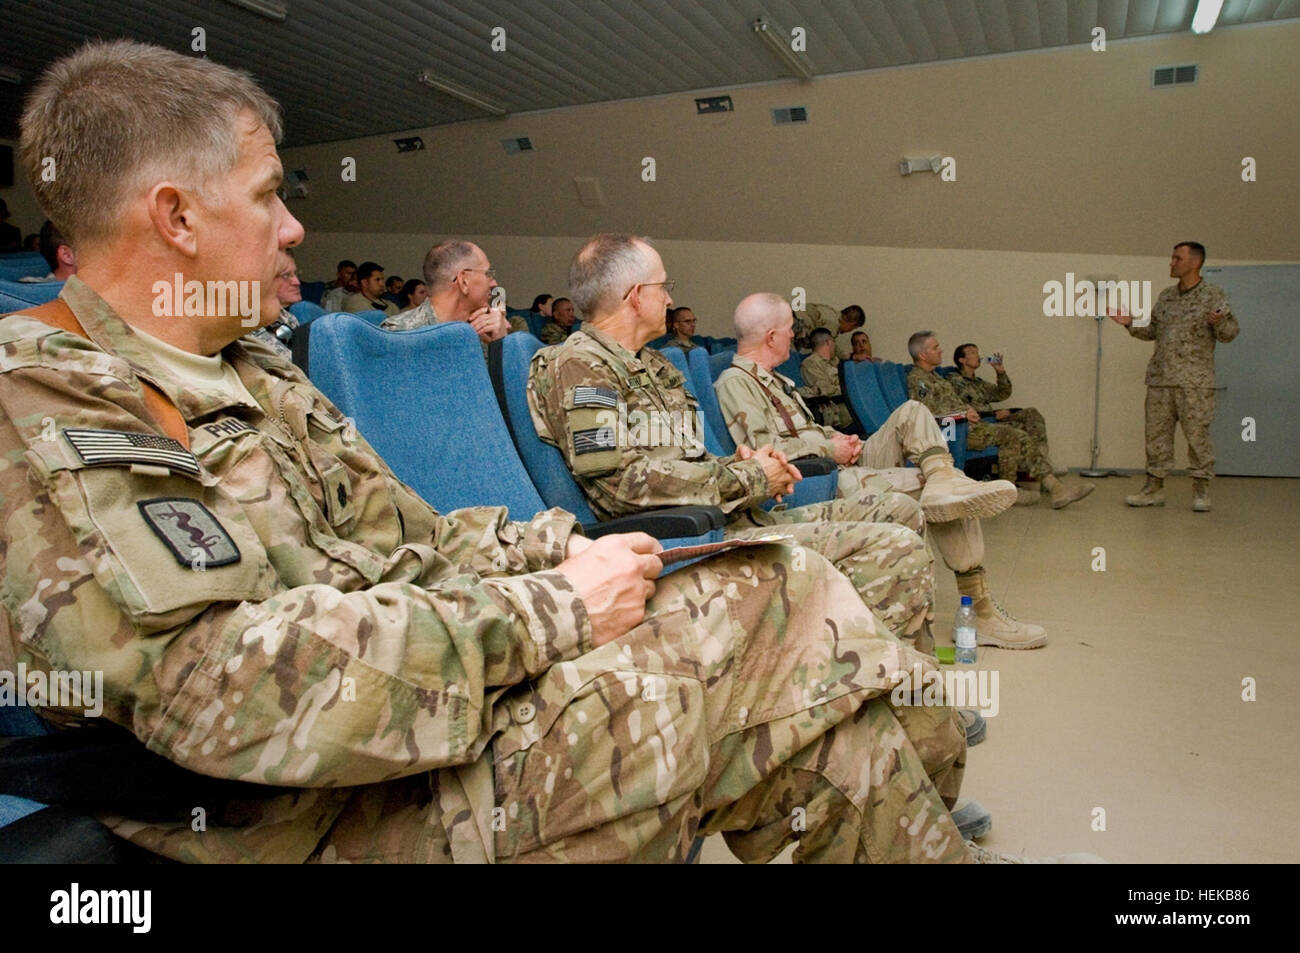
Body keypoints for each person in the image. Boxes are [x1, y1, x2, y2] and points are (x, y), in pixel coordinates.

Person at [0, 41, 1004, 865]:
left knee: (776, 593)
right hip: (298, 809)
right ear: (175, 216)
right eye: (269, 195)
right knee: (755, 633)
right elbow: (225, 694)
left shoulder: (252, 368)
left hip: (411, 717)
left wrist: (561, 554)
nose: (295, 223)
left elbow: (413, 542)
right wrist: (557, 606)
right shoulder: (47, 398)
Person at [529, 234, 950, 653]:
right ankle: (901, 692)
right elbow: (619, 487)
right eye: (664, 288)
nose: (670, 301)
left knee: (898, 509)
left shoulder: (651, 364)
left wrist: (746, 464)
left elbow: (683, 458)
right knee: (894, 549)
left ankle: (894, 671)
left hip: (727, 517)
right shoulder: (581, 366)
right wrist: (748, 477)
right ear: (637, 296)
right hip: (686, 542)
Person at [716, 294, 1045, 650]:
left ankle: (943, 476)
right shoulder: (736, 383)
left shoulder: (776, 380)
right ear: (770, 337)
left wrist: (838, 438)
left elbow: (805, 431)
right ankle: (980, 611)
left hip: (839, 459)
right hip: (814, 479)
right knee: (937, 491)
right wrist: (830, 449)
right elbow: (766, 455)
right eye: (790, 331)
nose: (795, 337)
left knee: (913, 412)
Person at [1110, 242, 1239, 512]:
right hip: (1160, 380)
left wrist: (1218, 323)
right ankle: (1153, 489)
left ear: (1194, 262)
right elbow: (1153, 331)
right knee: (1156, 437)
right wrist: (1130, 323)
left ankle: (1201, 489)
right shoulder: (1167, 296)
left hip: (1195, 382)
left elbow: (1229, 334)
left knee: (1197, 437)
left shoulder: (1212, 295)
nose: (1171, 262)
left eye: (1177, 258)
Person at [907, 332, 1093, 509]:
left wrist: (967, 410)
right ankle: (1043, 488)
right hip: (953, 431)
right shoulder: (919, 379)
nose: (941, 350)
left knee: (1015, 432)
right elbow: (928, 414)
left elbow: (994, 395)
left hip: (967, 425)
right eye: (935, 347)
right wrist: (963, 414)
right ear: (923, 355)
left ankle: (1028, 488)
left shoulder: (935, 376)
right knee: (1013, 435)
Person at [381, 240, 525, 345]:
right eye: (488, 274)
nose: (494, 284)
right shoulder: (399, 336)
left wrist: (501, 344)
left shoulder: (485, 331)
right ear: (464, 281)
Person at [950, 344, 1063, 475]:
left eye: (977, 352)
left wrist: (1000, 372)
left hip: (992, 418)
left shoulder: (979, 383)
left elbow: (1002, 393)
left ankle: (1044, 463)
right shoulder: (954, 380)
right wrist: (990, 415)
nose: (978, 356)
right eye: (972, 353)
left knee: (1031, 413)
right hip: (978, 423)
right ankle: (1042, 471)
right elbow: (959, 405)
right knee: (1018, 430)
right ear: (962, 360)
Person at [245, 248, 301, 357]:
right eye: (286, 275)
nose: (296, 282)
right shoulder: (246, 321)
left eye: (295, 274)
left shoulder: (288, 317)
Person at [798, 327, 853, 429]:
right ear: (828, 342)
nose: (835, 345)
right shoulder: (811, 363)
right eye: (834, 341)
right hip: (842, 412)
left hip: (852, 405)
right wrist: (852, 389)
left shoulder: (834, 362)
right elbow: (825, 390)